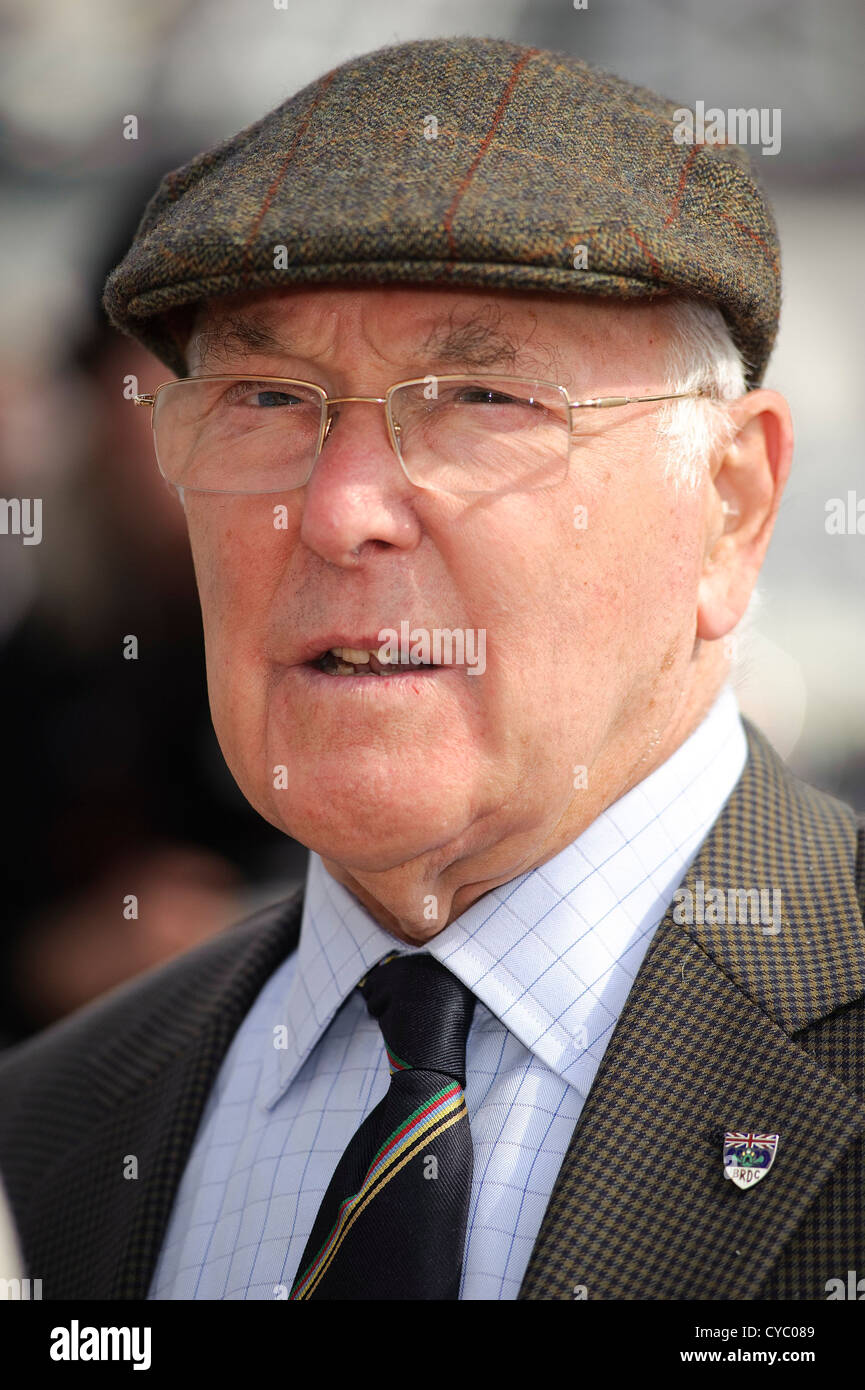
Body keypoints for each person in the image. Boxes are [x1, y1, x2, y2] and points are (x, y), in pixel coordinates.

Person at [0, 35, 862, 1302]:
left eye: (479, 397)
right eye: (265, 399)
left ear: (729, 504)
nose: (339, 507)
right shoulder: (49, 1138)